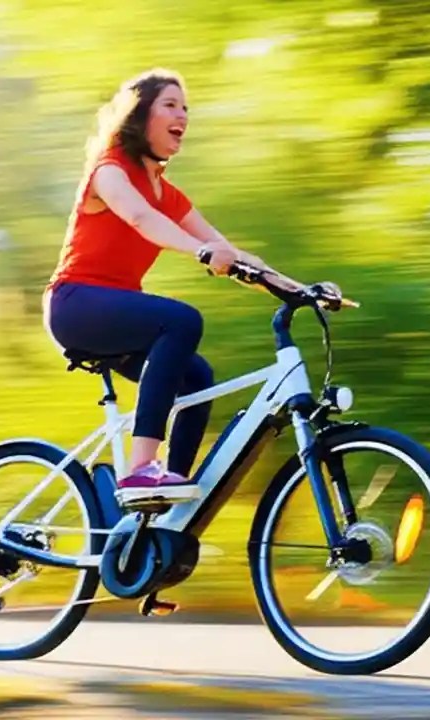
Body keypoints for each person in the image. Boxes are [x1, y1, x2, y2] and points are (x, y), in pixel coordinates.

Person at [42, 68, 315, 508]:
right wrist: (201, 253)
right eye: (170, 104)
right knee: (181, 320)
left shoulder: (168, 193)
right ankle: (139, 472)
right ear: (139, 115)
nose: (182, 115)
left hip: (114, 309)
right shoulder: (109, 171)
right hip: (75, 304)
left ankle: (169, 491)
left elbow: (228, 248)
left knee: (197, 376)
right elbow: (141, 219)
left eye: (186, 108)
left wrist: (299, 289)